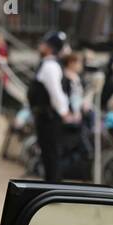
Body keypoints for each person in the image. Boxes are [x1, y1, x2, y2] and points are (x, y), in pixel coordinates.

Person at [31, 30, 72, 182]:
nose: (41, 46)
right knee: (48, 152)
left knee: (52, 153)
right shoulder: (49, 64)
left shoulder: (50, 65)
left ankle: (53, 185)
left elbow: (55, 92)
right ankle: (51, 183)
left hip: (50, 117)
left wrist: (63, 112)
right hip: (47, 116)